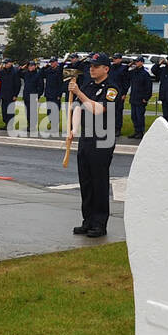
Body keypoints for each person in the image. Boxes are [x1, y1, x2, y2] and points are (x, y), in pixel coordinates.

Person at [68, 53, 117, 237]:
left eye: (96, 66)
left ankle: (99, 223)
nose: (92, 69)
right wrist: (73, 129)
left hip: (103, 139)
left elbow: (98, 110)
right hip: (87, 138)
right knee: (86, 181)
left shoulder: (111, 88)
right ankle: (87, 220)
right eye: (91, 66)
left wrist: (78, 92)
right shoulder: (88, 85)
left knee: (99, 182)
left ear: (106, 68)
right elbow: (79, 108)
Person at [127, 56, 153, 138]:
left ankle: (140, 132)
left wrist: (146, 98)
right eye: (136, 62)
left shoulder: (145, 74)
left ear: (142, 62)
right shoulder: (133, 72)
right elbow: (124, 74)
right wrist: (129, 65)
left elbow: (149, 87)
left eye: (138, 62)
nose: (136, 63)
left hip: (141, 98)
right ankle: (136, 130)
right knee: (133, 116)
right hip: (134, 97)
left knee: (139, 116)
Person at [108, 53, 130, 138]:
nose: (114, 60)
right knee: (110, 111)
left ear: (120, 59)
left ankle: (117, 129)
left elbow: (126, 82)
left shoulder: (123, 68)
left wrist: (124, 93)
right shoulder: (111, 68)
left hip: (120, 92)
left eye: (116, 58)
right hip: (111, 92)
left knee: (118, 112)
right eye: (114, 58)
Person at [0, 56, 21, 132]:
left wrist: (15, 95)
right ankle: (6, 124)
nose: (6, 65)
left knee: (10, 110)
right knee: (4, 110)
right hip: (3, 94)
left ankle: (10, 125)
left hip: (11, 94)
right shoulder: (3, 71)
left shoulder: (14, 71)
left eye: (7, 63)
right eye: (5, 63)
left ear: (11, 63)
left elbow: (18, 84)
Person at [42, 56, 65, 131]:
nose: (51, 64)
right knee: (49, 110)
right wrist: (44, 67)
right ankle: (51, 123)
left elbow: (61, 84)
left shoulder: (59, 71)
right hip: (48, 93)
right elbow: (41, 74)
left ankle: (55, 125)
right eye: (51, 62)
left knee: (55, 109)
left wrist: (59, 94)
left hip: (56, 94)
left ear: (56, 62)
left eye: (53, 62)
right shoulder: (48, 70)